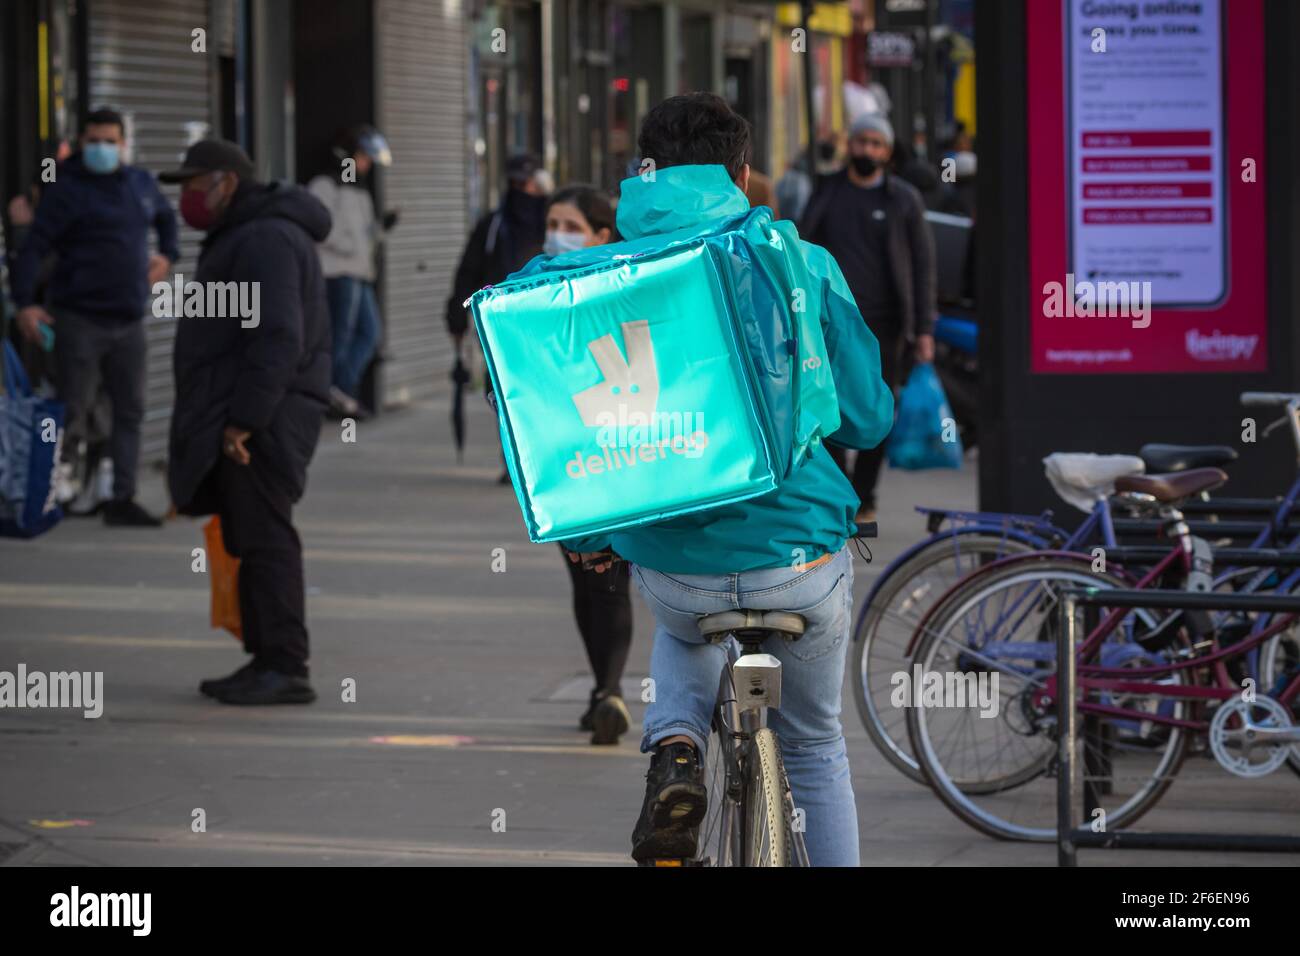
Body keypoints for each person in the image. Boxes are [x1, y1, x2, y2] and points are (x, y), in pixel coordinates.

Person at [560, 93, 893, 866]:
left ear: (644, 171)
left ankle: (676, 745)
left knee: (684, 615)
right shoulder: (800, 263)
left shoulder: (603, 277)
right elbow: (869, 421)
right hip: (801, 556)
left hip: (675, 561)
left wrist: (588, 536)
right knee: (813, 747)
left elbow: (577, 426)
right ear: (742, 174)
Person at [160, 139, 332, 706]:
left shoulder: (266, 238)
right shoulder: (250, 233)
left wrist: (243, 421)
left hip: (266, 418)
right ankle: (265, 658)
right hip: (252, 412)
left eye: (193, 183)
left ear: (226, 181)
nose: (186, 197)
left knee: (265, 536)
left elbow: (278, 337)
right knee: (249, 532)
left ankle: (285, 664)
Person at [9, 109, 178, 526]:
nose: (101, 148)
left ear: (123, 144)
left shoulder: (139, 183)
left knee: (130, 410)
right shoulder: (66, 190)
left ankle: (122, 497)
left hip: (128, 318)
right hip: (79, 317)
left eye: (109, 140)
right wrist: (25, 302)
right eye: (93, 140)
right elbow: (33, 247)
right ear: (82, 142)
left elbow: (167, 219)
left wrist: (167, 257)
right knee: (72, 408)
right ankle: (50, 492)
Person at [798, 111, 937, 524]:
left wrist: (925, 328)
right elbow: (802, 245)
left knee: (879, 409)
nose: (868, 151)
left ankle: (866, 494)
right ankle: (841, 488)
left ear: (887, 152)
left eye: (876, 144)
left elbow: (923, 265)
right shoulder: (827, 191)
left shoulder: (903, 199)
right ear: (850, 146)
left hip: (887, 327)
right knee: (829, 403)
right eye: (862, 142)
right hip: (832, 325)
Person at [536, 184, 636, 745]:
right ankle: (607, 688)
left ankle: (609, 687)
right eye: (551, 222)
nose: (557, 233)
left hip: (615, 449)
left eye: (570, 225)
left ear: (602, 235)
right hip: (564, 454)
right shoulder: (532, 287)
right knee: (589, 573)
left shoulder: (621, 286)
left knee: (604, 573)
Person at [446, 153, 549, 482]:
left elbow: (468, 272)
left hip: (499, 321)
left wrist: (457, 318)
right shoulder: (544, 219)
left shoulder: (495, 223)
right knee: (535, 388)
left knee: (505, 393)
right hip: (535, 319)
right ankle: (529, 461)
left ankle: (516, 463)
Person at [307, 124, 398, 420]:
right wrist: (349, 244)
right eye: (363, 157)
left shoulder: (359, 191)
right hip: (337, 272)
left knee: (370, 334)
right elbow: (319, 226)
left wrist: (382, 228)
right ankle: (331, 393)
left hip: (359, 273)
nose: (366, 164)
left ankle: (338, 390)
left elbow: (366, 236)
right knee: (340, 336)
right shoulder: (325, 185)